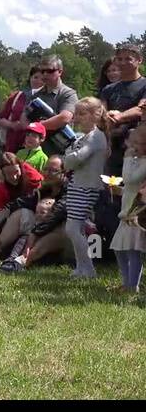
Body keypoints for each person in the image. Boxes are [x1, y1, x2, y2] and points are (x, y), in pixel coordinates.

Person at [63, 97, 108, 280]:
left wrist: (68, 156)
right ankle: (81, 267)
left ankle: (88, 268)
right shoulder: (84, 137)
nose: (78, 118)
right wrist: (69, 157)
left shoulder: (96, 137)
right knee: (75, 228)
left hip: (87, 187)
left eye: (82, 114)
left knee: (73, 228)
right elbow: (72, 159)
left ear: (95, 115)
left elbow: (75, 159)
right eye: (77, 114)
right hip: (78, 185)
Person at [101, 44, 146, 176]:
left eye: (128, 59)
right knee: (111, 190)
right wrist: (106, 116)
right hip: (112, 148)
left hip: (138, 149)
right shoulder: (108, 89)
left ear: (139, 60)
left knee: (133, 192)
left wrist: (119, 117)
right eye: (119, 59)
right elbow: (101, 113)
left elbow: (141, 109)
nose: (123, 62)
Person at [111, 127, 146, 293]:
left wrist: (126, 159)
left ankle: (132, 285)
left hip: (136, 212)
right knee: (119, 248)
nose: (131, 147)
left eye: (136, 144)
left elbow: (131, 178)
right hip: (127, 209)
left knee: (133, 249)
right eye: (130, 143)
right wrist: (121, 191)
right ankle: (127, 282)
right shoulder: (136, 159)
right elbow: (131, 186)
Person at [25, 56, 78, 158]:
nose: (45, 74)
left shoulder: (68, 93)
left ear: (60, 72)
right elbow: (25, 117)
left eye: (49, 71)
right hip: (35, 152)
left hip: (58, 152)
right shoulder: (36, 95)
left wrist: (37, 127)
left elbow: (64, 118)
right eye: (42, 71)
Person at [0, 66, 42, 153]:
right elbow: (1, 118)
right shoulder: (17, 96)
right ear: (30, 78)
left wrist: (28, 127)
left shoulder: (46, 100)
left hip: (32, 149)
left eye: (42, 79)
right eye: (35, 77)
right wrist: (12, 125)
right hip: (10, 145)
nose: (38, 81)